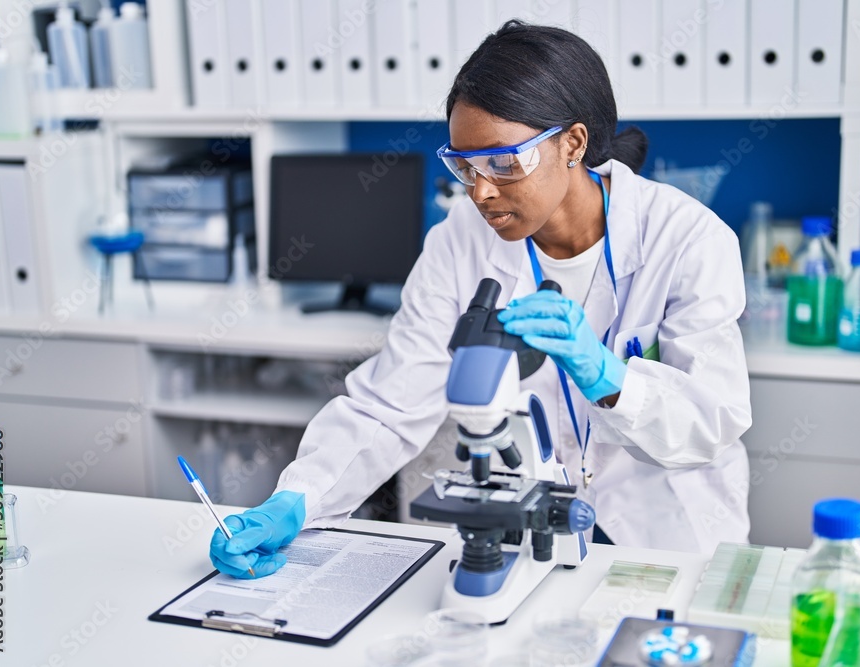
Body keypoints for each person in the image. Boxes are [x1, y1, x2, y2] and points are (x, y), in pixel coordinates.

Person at [210, 20, 752, 579]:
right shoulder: (460, 238)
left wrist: (610, 377)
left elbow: (711, 421)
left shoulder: (689, 241)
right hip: (539, 531)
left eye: (502, 161)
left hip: (666, 532)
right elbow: (392, 402)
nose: (481, 190)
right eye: (465, 166)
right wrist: (299, 498)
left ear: (573, 143)